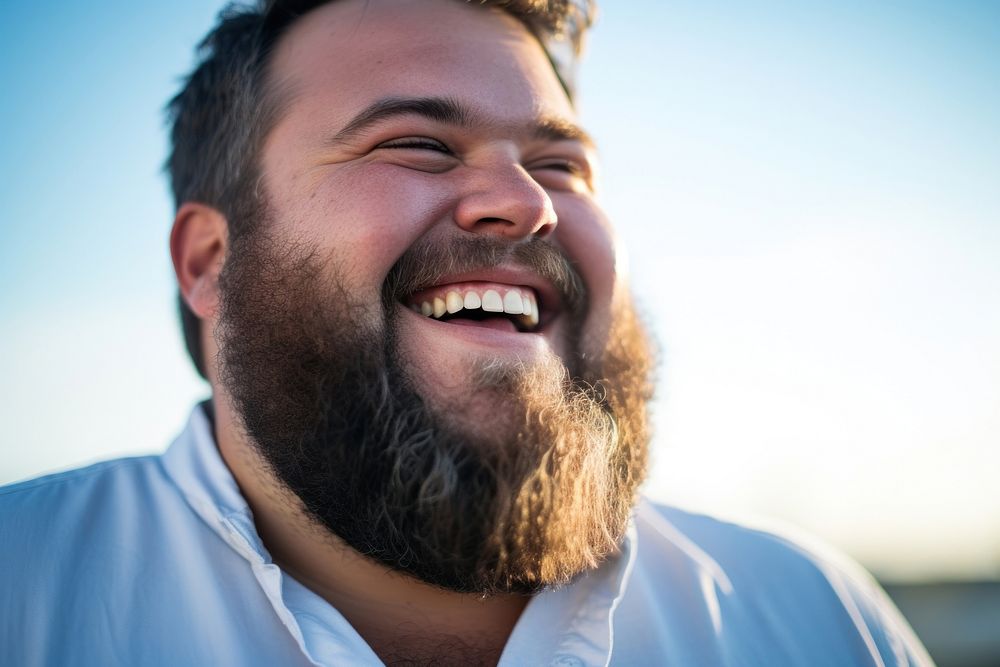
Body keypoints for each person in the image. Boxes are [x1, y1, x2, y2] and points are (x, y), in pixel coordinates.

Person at [0, 1, 933, 665]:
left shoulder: (815, 619)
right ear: (209, 261)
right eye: (418, 144)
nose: (525, 204)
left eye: (560, 164)